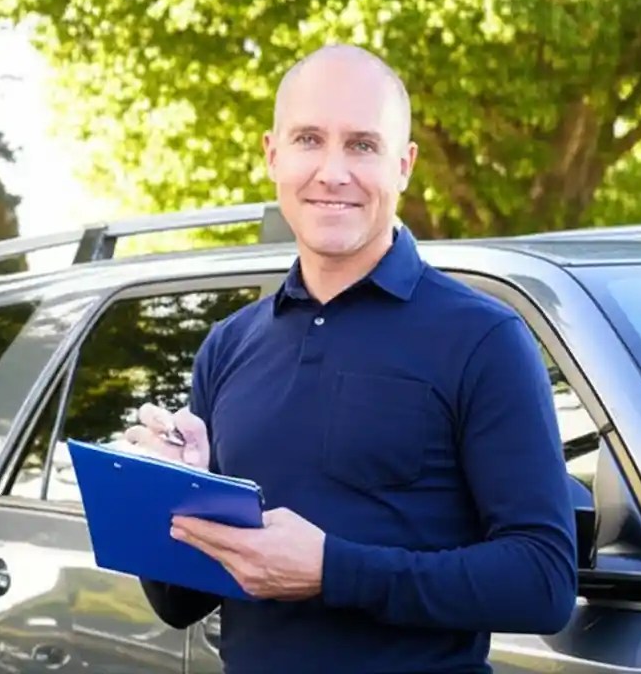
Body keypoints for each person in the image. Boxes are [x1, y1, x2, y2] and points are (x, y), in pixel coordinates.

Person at [122, 43, 577, 673]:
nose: (333, 172)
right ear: (273, 155)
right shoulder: (228, 346)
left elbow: (544, 581)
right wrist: (173, 493)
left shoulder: (483, 338)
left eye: (362, 145)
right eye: (309, 139)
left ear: (403, 166)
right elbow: (179, 604)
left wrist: (332, 570)